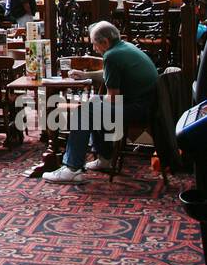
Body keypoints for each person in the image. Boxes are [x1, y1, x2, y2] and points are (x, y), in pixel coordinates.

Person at [42, 20, 158, 184]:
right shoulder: (124, 47)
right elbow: (108, 75)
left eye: (95, 44)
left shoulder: (112, 56)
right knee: (94, 104)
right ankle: (105, 158)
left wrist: (94, 106)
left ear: (105, 42)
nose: (94, 48)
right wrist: (85, 75)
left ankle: (72, 169)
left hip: (139, 108)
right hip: (148, 104)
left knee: (84, 111)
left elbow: (112, 99)